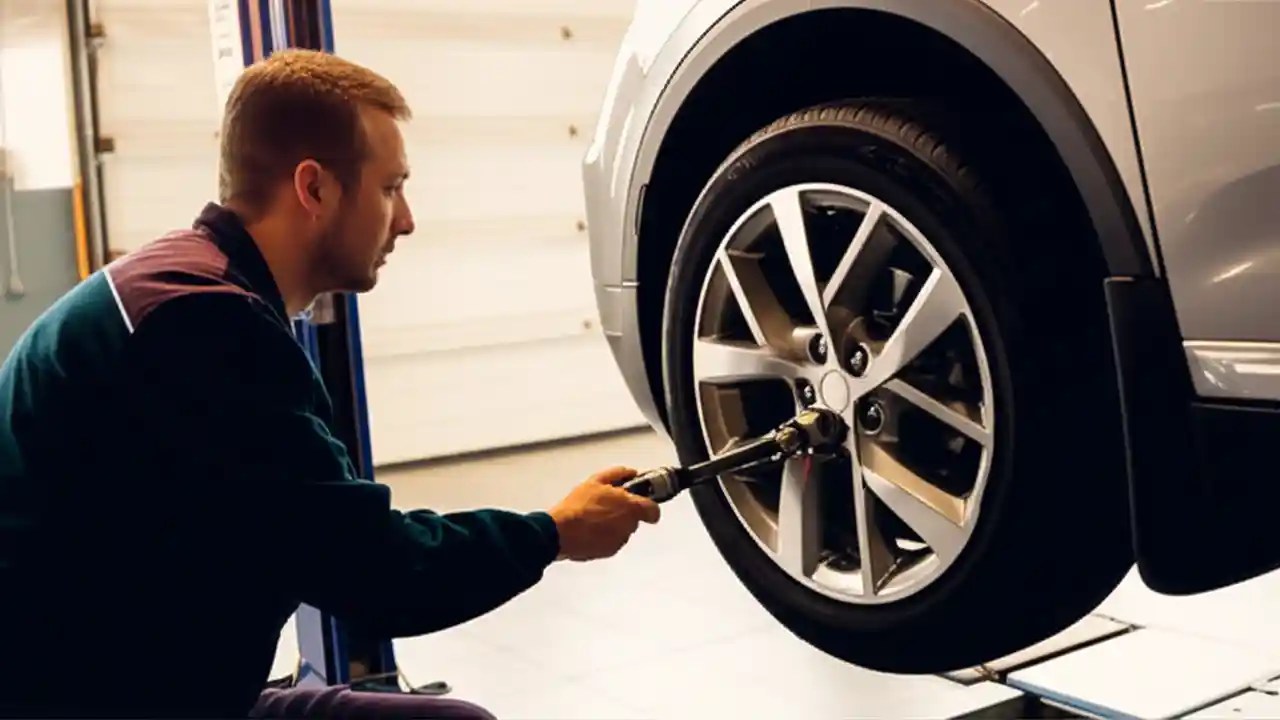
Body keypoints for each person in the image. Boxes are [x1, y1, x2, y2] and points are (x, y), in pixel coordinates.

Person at [0, 49, 661, 718]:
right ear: (313, 188)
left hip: (149, 677)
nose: (405, 219)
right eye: (390, 187)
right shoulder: (203, 327)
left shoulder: (183, 284)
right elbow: (376, 573)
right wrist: (554, 533)